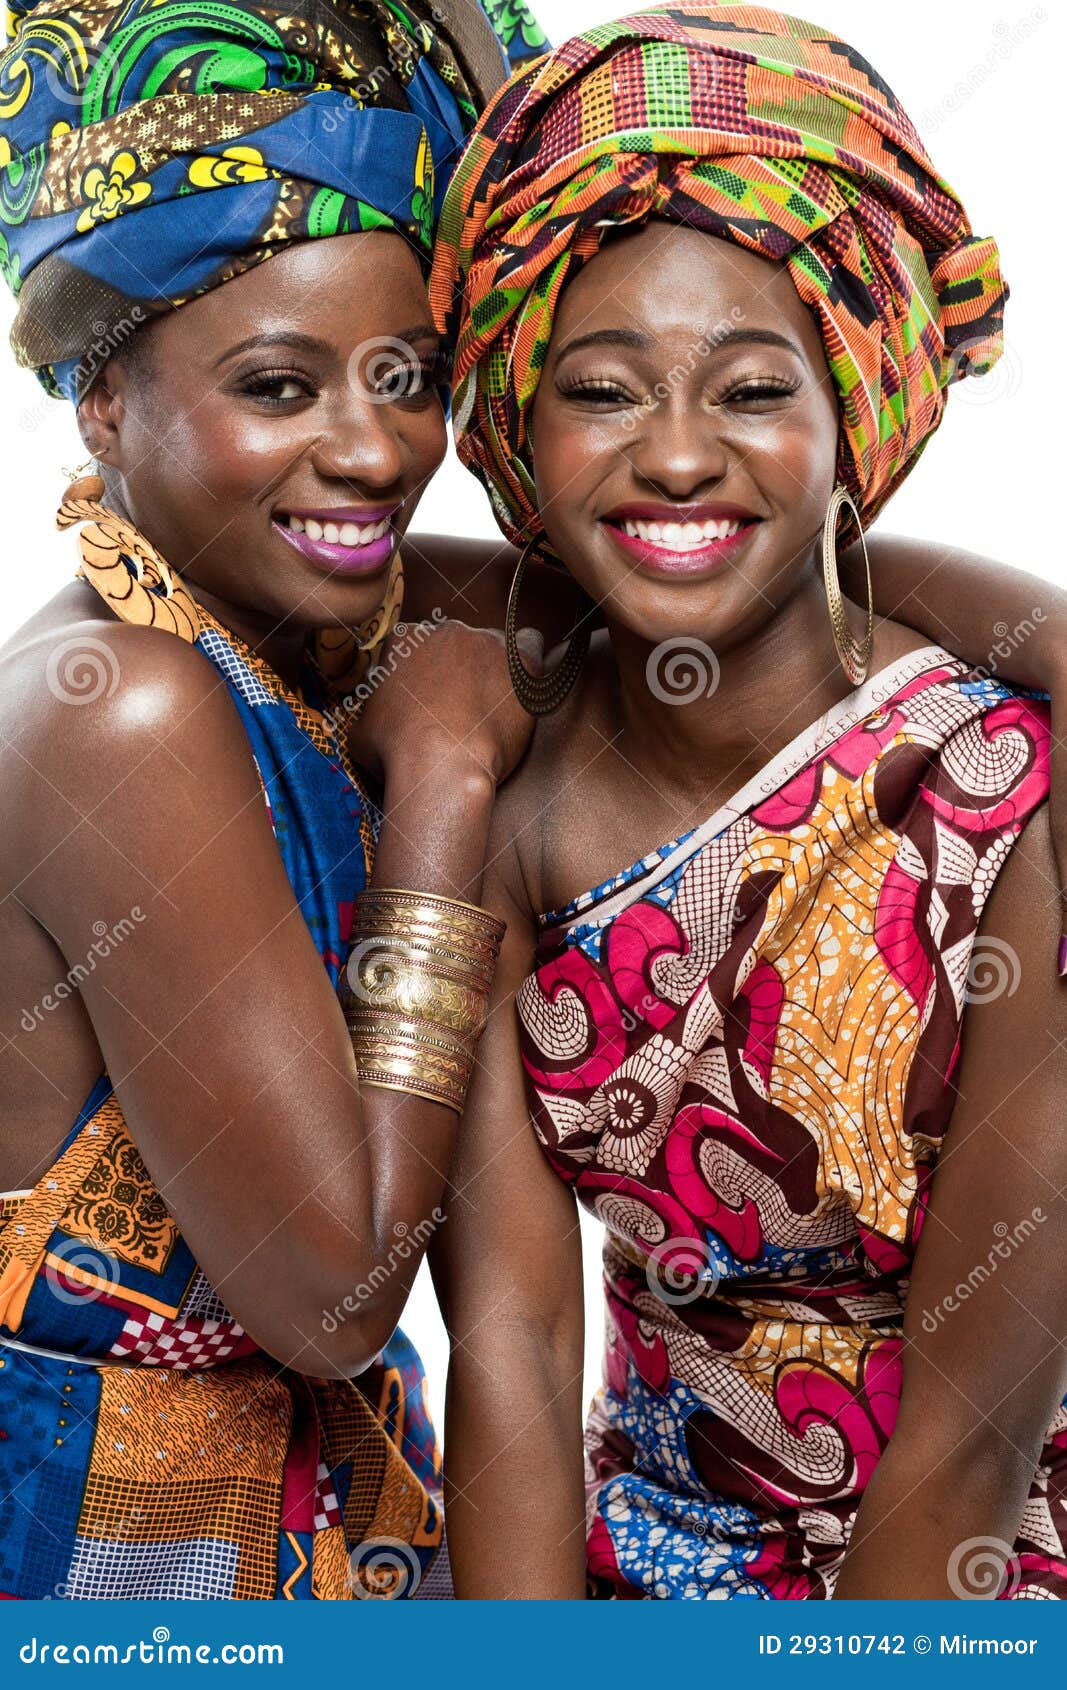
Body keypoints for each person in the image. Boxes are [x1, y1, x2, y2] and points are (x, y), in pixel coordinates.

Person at [430, 3, 1067, 1599]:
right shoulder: (507, 798)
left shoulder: (1009, 795)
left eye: (752, 392)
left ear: (854, 415)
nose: (677, 457)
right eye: (602, 392)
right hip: (643, 1551)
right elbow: (508, 1332)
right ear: (517, 427)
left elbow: (973, 1435)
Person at [0, 0, 546, 1601]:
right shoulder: (120, 715)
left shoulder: (272, 607)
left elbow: (645, 593)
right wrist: (442, 789)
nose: (371, 450)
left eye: (406, 373)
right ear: (104, 403)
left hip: (334, 1552)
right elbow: (334, 1293)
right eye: (279, 385)